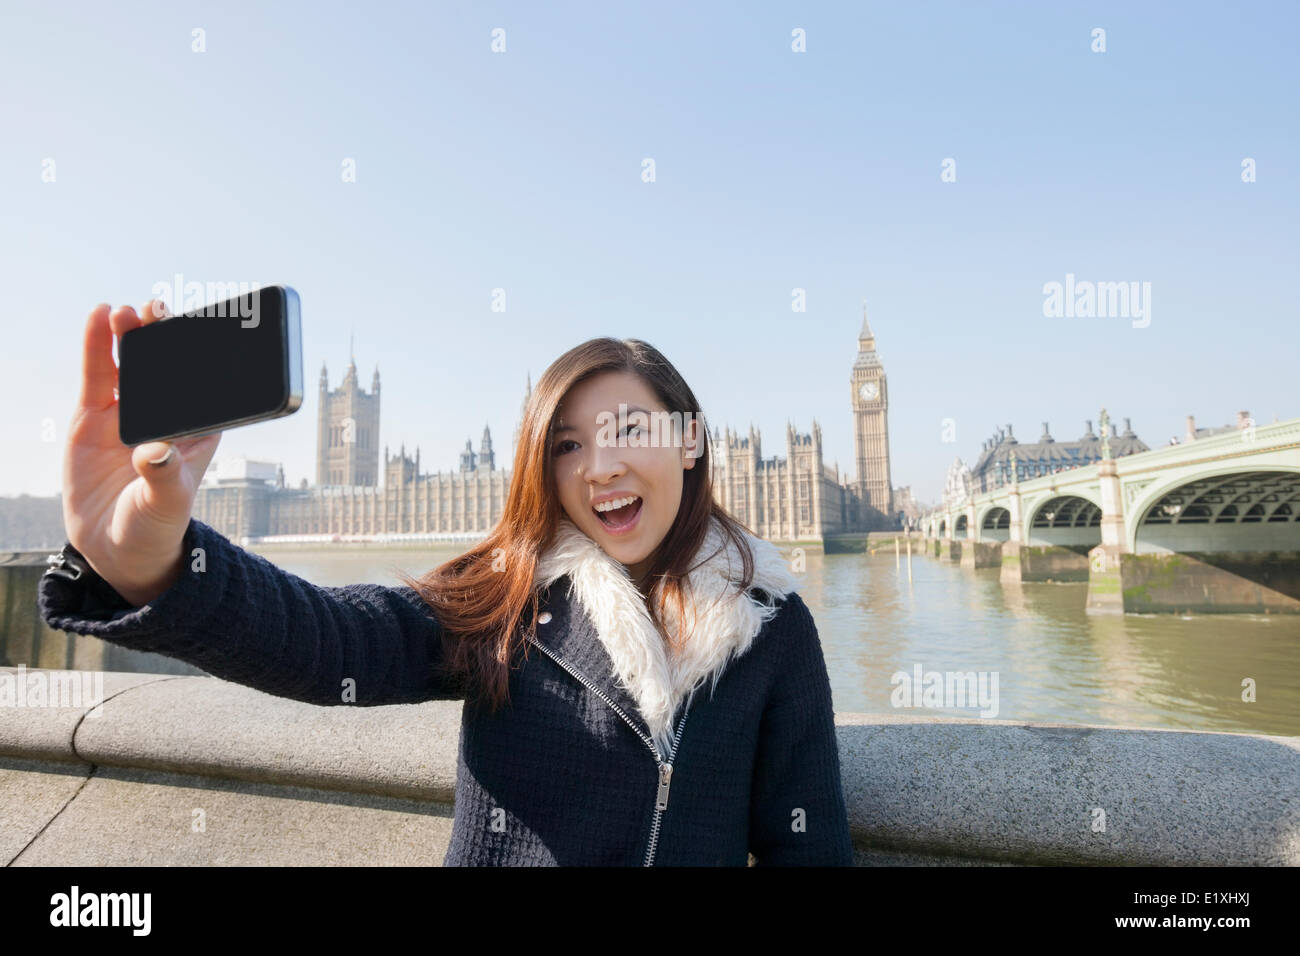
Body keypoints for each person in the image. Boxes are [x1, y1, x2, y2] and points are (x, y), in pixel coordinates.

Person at [39, 300, 854, 866]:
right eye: (566, 445)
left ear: (690, 441)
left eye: (628, 429)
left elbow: (806, 848)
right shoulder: (506, 603)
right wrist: (149, 558)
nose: (600, 464)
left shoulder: (772, 631)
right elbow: (330, 641)